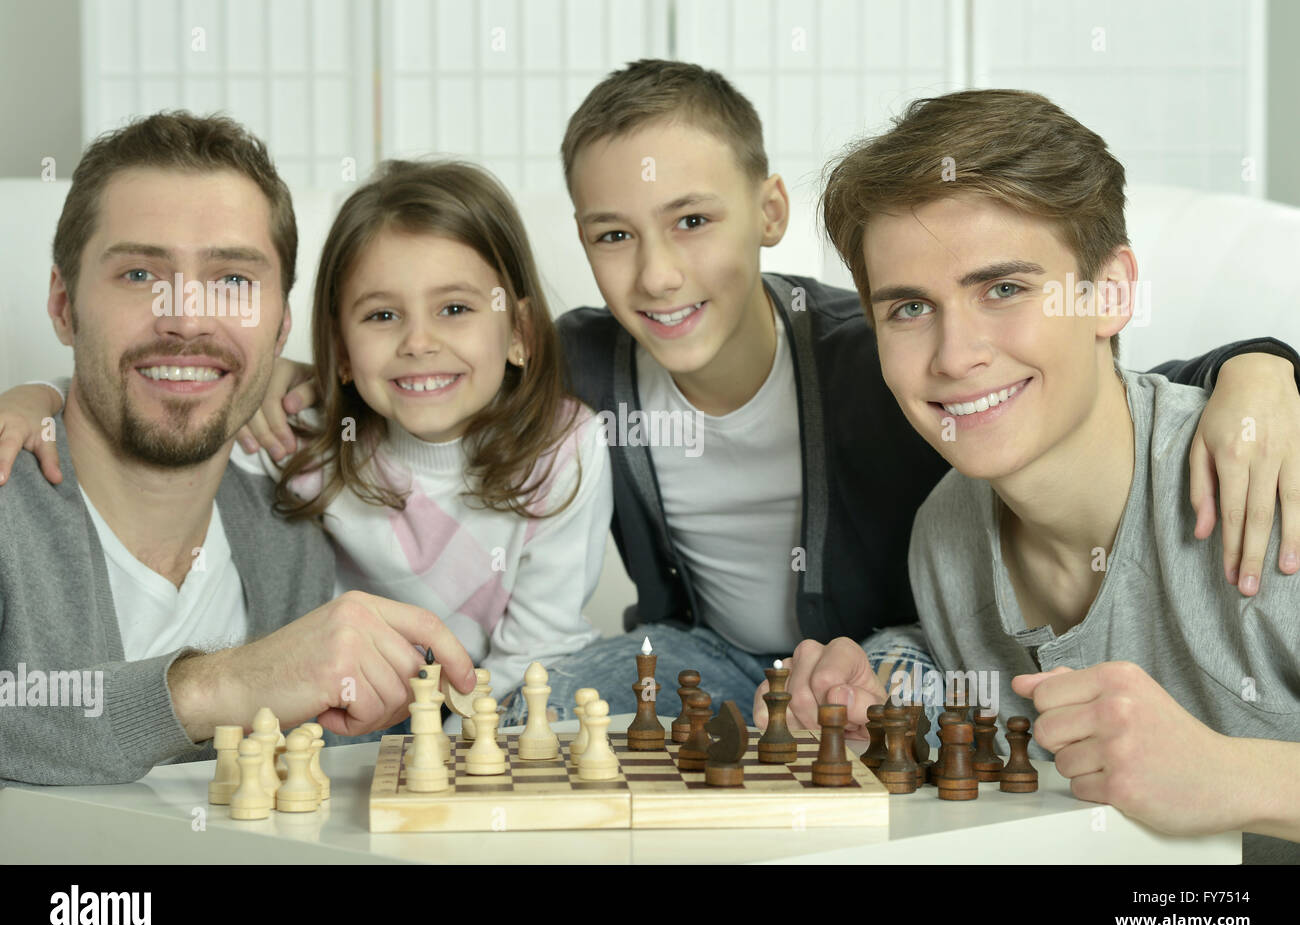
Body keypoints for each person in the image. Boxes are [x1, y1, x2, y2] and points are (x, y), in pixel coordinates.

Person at [115, 61, 1300, 735]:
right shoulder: (572, 362)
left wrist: (1261, 363)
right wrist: (264, 367)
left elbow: (1094, 378)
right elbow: (417, 364)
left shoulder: (870, 347)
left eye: (693, 223)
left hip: (892, 666)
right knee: (545, 699)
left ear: (770, 215)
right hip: (743, 662)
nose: (660, 275)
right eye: (614, 238)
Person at [817, 88, 1299, 862]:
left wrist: (1238, 776)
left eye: (1003, 288)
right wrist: (876, 674)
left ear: (1110, 294)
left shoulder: (1273, 481)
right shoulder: (943, 536)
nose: (953, 355)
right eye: (909, 308)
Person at [2, 158, 614, 728]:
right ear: (341, 352)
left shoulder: (566, 450)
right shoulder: (303, 439)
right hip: (361, 719)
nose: (419, 343)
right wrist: (43, 397)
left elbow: (541, 645)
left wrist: (456, 742)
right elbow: (157, 402)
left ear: (521, 333)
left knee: (601, 682)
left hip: (496, 708)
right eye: (381, 316)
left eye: (455, 308)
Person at [0, 112, 474, 786]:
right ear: (62, 304)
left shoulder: (289, 541)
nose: (187, 318)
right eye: (139, 274)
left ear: (281, 326)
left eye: (232, 280)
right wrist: (218, 686)